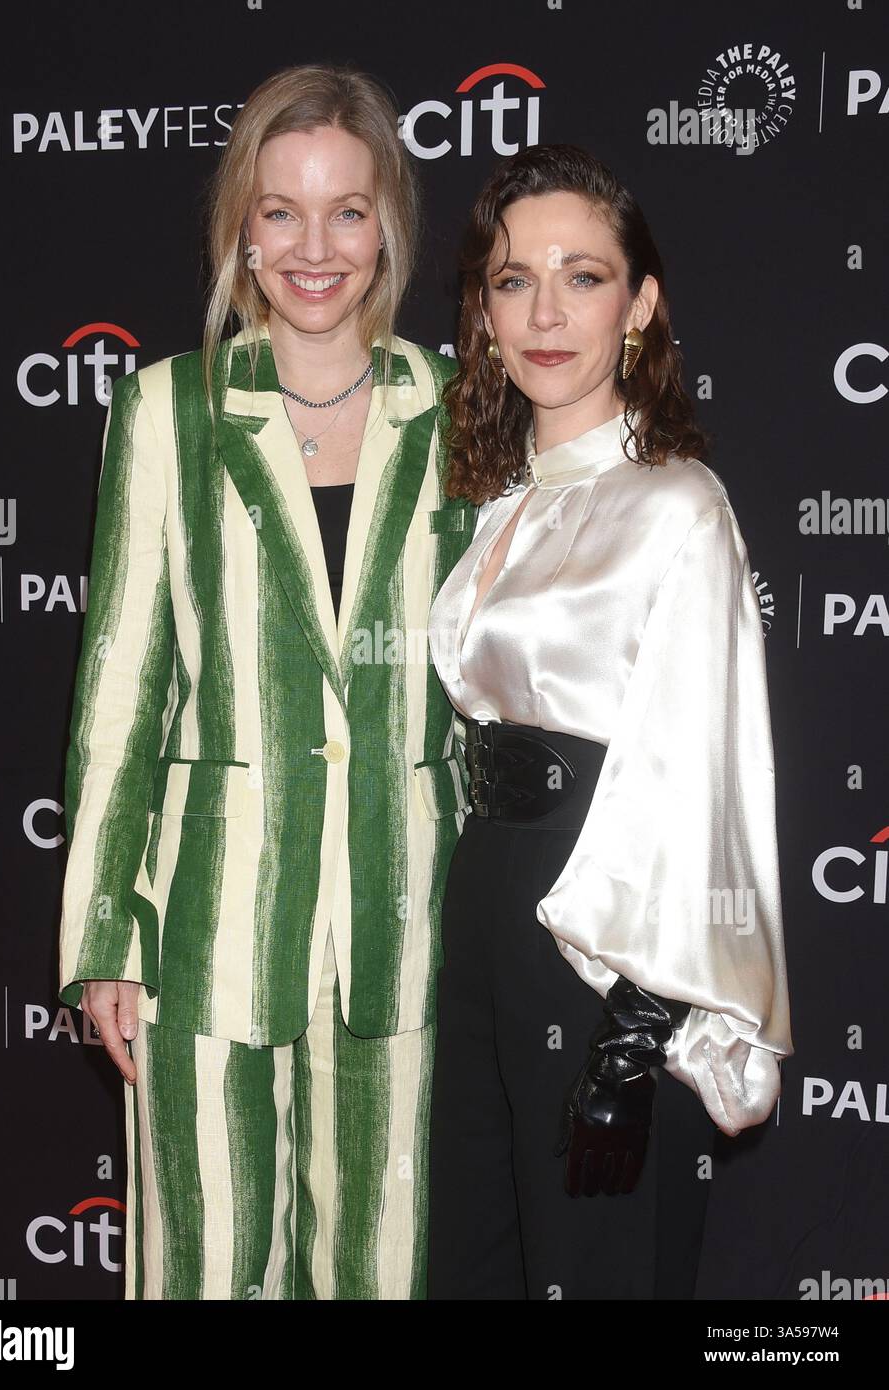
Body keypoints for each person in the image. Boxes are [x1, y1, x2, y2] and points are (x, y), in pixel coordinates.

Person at [57, 64, 475, 1301]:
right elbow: (120, 686)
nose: (314, 246)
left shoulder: (460, 411)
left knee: (383, 1272)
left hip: (407, 924)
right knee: (207, 1267)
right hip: (205, 928)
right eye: (280, 210)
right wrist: (101, 939)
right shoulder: (166, 412)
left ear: (390, 222)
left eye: (348, 209)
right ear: (239, 222)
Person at [425, 143, 794, 1300]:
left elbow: (701, 781)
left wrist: (636, 1029)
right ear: (481, 313)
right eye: (512, 279)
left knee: (603, 1273)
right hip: (485, 902)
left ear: (640, 304)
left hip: (609, 940)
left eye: (582, 278)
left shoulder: (679, 504)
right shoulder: (500, 505)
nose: (546, 313)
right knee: (478, 1264)